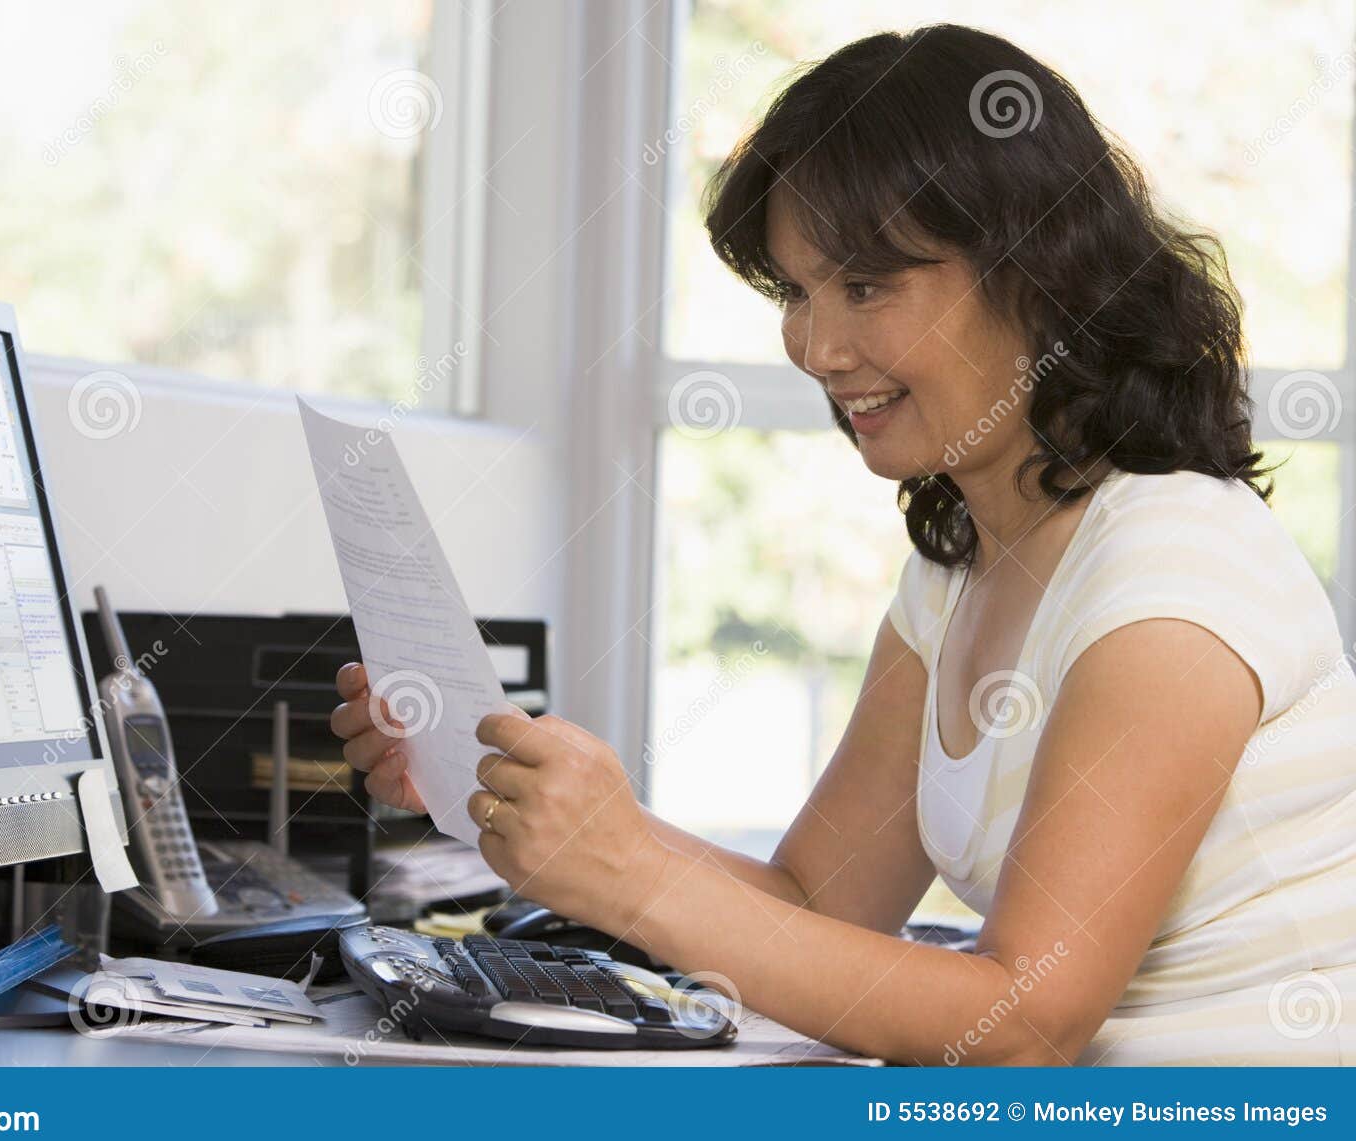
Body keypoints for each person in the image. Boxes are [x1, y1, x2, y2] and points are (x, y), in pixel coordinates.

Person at [330, 24, 1356, 1065]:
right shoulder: (956, 574)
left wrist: (630, 867)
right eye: (794, 292)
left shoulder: (1173, 563)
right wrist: (523, 806)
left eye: (864, 286)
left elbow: (1029, 1022)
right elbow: (818, 903)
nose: (818, 349)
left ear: (1036, 274)